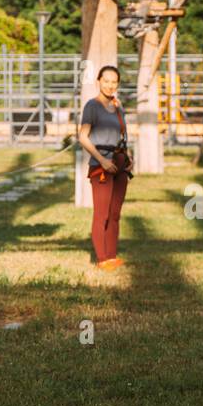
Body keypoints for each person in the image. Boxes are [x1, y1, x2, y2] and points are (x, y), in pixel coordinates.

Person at [78, 65, 133, 270]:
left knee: (115, 214)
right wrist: (102, 160)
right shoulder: (92, 106)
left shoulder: (118, 106)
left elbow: (122, 136)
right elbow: (83, 137)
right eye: (106, 81)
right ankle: (102, 259)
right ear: (98, 82)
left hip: (120, 163)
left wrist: (128, 156)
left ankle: (111, 256)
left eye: (114, 82)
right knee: (101, 214)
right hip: (101, 165)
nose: (110, 85)